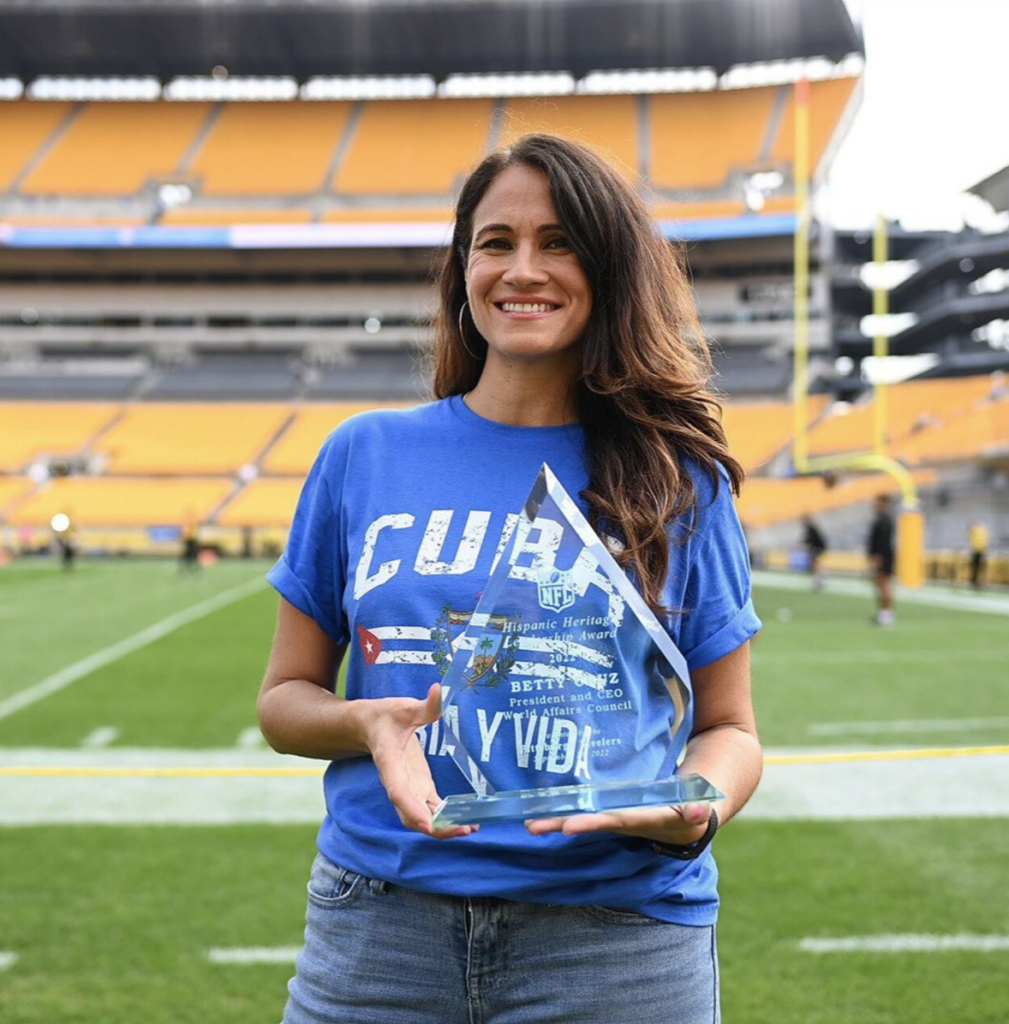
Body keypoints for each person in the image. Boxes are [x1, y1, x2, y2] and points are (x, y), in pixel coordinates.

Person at [258, 134, 763, 1024]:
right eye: (496, 242)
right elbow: (283, 701)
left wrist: (691, 807)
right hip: (379, 928)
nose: (522, 269)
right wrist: (365, 722)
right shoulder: (364, 454)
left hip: (617, 940)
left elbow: (729, 730)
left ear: (608, 269)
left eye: (559, 242)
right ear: (464, 269)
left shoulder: (679, 479)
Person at [867, 494, 896, 625]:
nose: (875, 505)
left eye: (878, 502)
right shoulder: (881, 519)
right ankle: (884, 612)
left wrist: (877, 558)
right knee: (881, 585)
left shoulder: (884, 520)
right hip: (882, 556)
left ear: (884, 503)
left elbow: (882, 542)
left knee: (883, 585)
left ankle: (886, 613)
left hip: (883, 557)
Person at [801, 514, 827, 591]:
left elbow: (809, 540)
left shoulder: (811, 529)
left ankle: (818, 578)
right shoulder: (811, 529)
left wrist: (804, 543)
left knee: (814, 562)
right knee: (814, 562)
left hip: (818, 548)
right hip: (818, 548)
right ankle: (818, 578)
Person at [968, 520, 988, 589]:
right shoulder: (975, 530)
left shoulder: (982, 530)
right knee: (975, 567)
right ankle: (973, 581)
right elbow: (970, 530)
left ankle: (980, 581)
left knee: (981, 567)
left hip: (981, 551)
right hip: (976, 551)